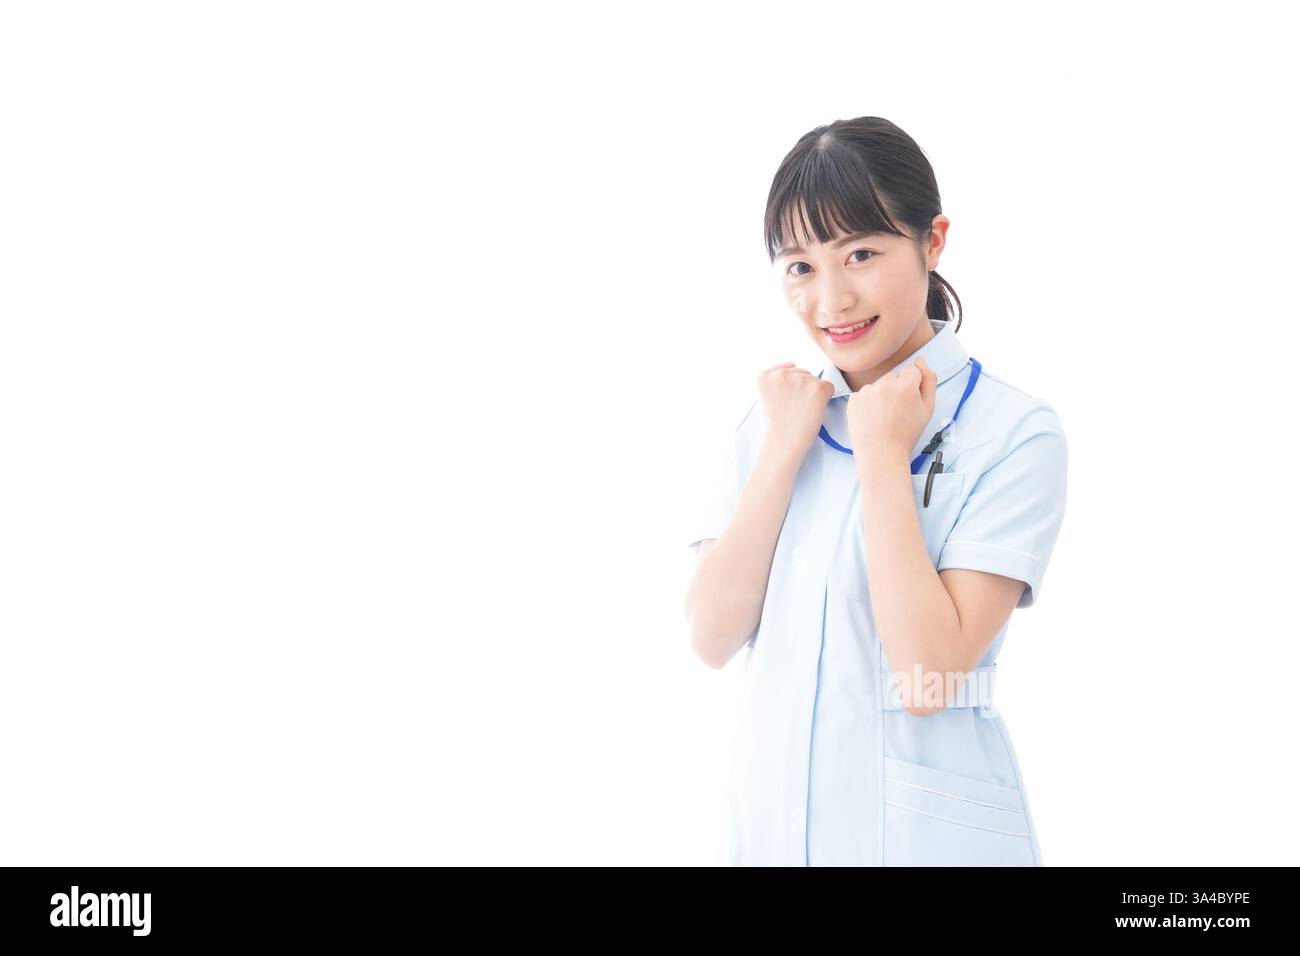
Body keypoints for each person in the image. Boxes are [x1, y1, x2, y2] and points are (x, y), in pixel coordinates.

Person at [683, 116, 1069, 866]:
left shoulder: (1016, 432)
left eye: (861, 253)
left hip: (930, 842)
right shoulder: (770, 423)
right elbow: (710, 638)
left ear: (933, 241)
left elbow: (928, 674)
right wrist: (781, 452)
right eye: (799, 267)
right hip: (771, 832)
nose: (831, 299)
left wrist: (882, 456)